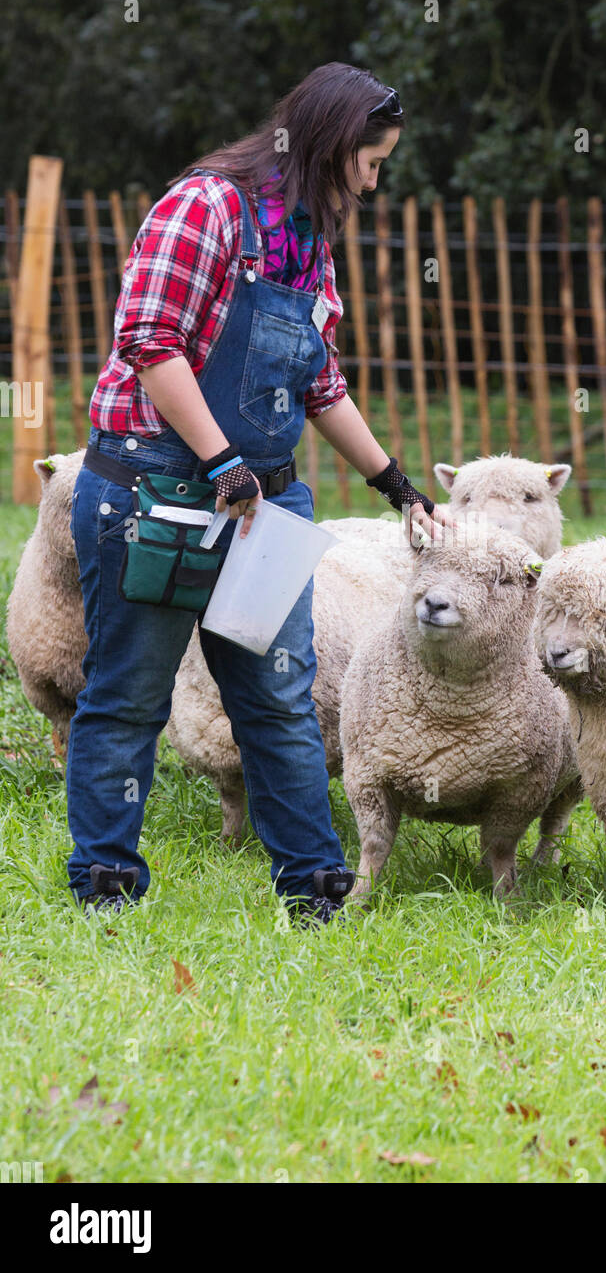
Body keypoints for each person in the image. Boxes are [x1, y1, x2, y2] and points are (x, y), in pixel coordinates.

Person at [67, 62, 450, 925]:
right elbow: (150, 340)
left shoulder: (306, 238)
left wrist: (391, 481)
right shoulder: (203, 208)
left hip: (260, 512)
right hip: (155, 492)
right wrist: (218, 462)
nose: (376, 180)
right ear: (333, 143)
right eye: (373, 160)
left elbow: (319, 381)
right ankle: (105, 888)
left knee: (279, 699)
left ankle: (314, 889)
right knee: (129, 696)